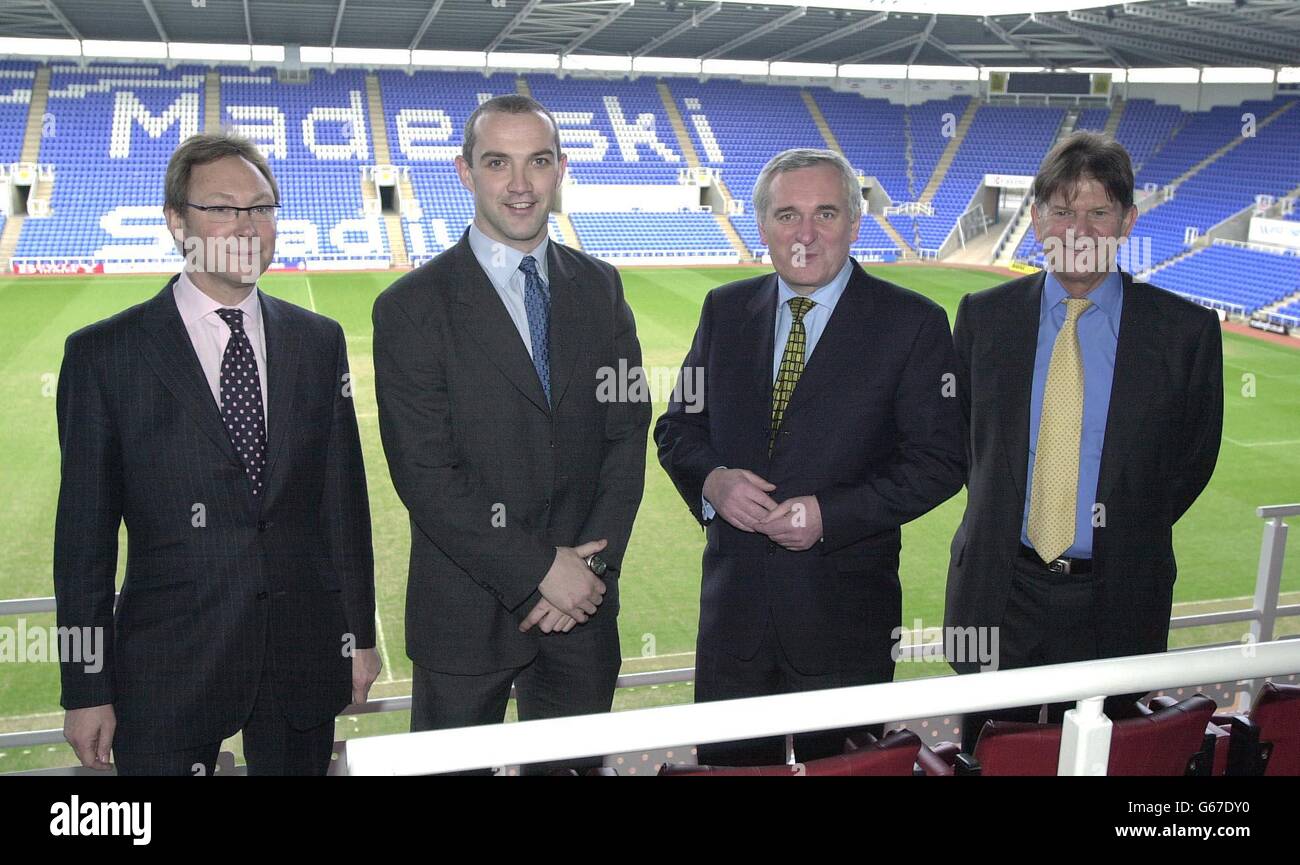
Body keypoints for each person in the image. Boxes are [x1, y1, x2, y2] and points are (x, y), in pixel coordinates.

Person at [56, 131, 380, 776]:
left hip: (302, 655)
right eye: (222, 207)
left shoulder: (318, 341)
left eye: (262, 207)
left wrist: (359, 635)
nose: (247, 226)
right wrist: (86, 686)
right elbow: (83, 540)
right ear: (177, 222)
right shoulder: (104, 355)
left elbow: (342, 503)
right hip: (169, 663)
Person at [654, 148, 966, 767]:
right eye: (786, 215)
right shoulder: (725, 309)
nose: (804, 234)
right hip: (734, 619)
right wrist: (713, 483)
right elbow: (676, 429)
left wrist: (831, 515)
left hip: (846, 622)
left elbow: (940, 461)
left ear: (855, 222)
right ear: (762, 226)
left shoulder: (914, 324)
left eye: (825, 213)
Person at [372, 95, 650, 773]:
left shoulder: (602, 287)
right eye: (499, 162)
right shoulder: (411, 307)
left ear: (561, 170)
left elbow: (626, 435)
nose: (520, 184)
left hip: (583, 611)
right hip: (464, 617)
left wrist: (588, 572)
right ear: (465, 171)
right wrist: (537, 573)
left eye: (538, 162)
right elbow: (426, 474)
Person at [945, 131, 1223, 752]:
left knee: (1109, 759)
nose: (1079, 228)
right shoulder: (983, 317)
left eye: (1099, 211)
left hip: (1117, 592)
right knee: (989, 757)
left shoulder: (1185, 332)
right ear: (1037, 218)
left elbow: (1191, 460)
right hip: (998, 587)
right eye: (1063, 210)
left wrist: (1117, 524)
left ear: (1127, 220)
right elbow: (963, 443)